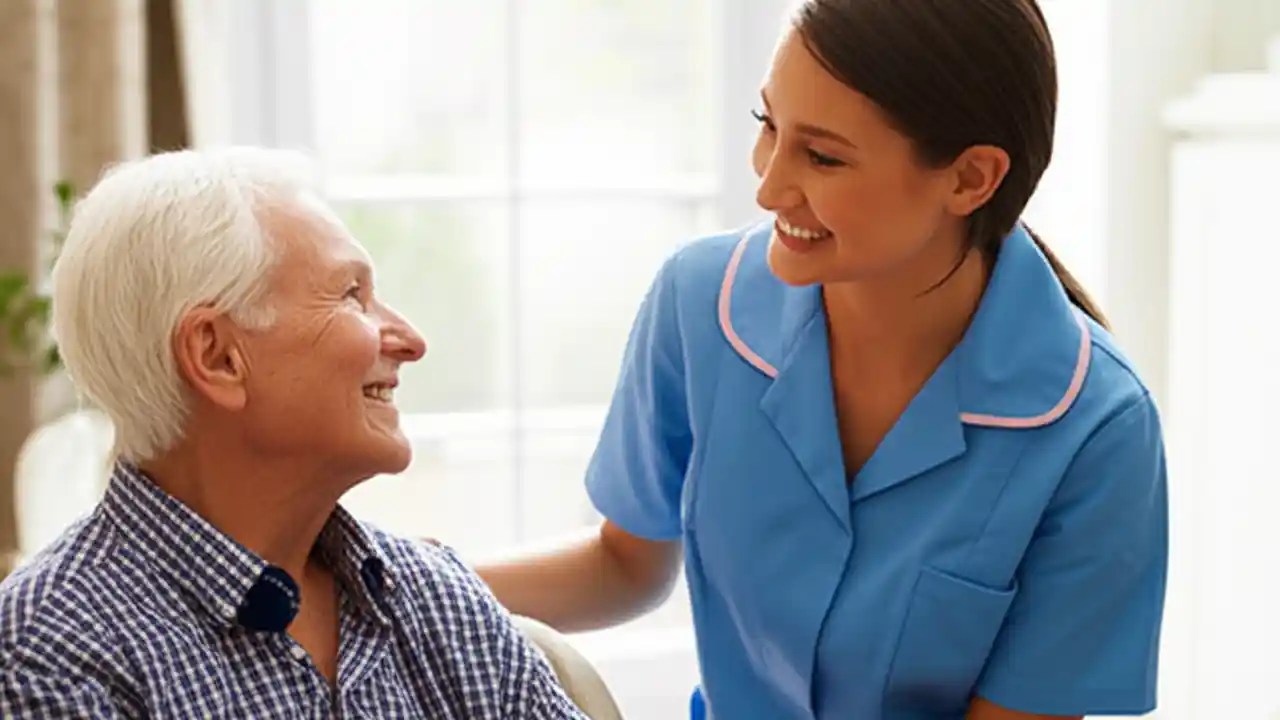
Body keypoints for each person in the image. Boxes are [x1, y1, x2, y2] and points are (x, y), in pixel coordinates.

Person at [477, 1, 1168, 719]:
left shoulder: (1098, 432)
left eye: (822, 156)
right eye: (767, 125)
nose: (768, 186)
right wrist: (399, 577)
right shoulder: (697, 304)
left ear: (970, 179)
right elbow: (625, 564)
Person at [0, 148, 586, 719]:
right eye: (351, 295)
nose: (411, 339)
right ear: (218, 355)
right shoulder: (44, 654)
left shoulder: (438, 600)